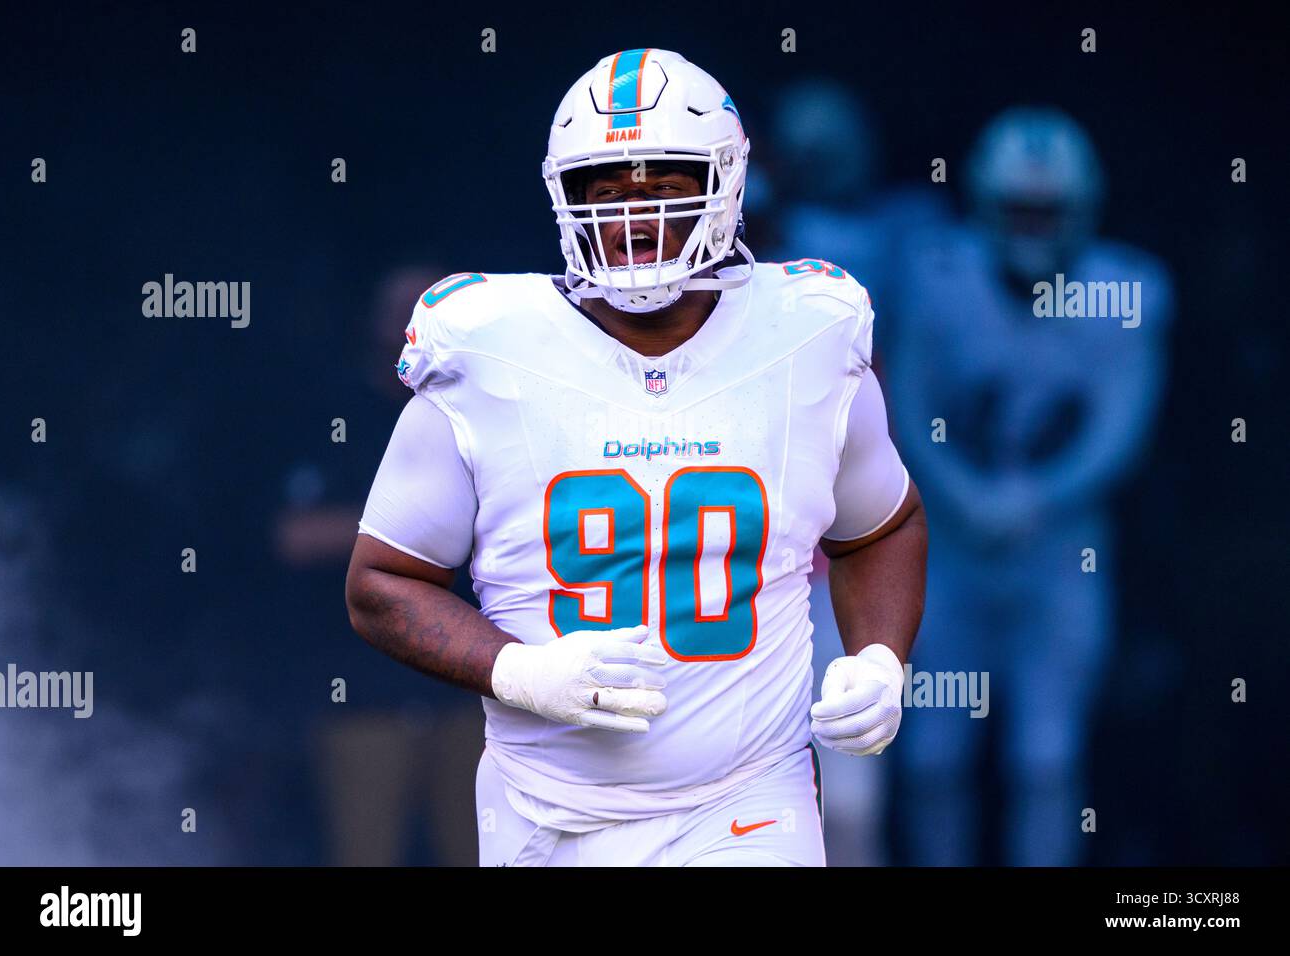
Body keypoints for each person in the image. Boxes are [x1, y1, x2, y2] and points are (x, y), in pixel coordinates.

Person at [345, 49, 926, 867]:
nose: (634, 219)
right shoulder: (485, 348)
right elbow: (381, 583)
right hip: (546, 811)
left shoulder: (808, 334)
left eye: (663, 190)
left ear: (723, 186)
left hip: (750, 799)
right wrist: (516, 670)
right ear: (564, 198)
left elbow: (880, 527)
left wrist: (878, 658)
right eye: (607, 193)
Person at [885, 107, 1173, 865]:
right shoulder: (936, 276)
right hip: (950, 552)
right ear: (983, 204)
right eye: (1019, 210)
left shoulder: (1130, 291)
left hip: (1060, 554)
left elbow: (1122, 424)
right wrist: (960, 494)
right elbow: (907, 406)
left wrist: (1037, 498)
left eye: (1049, 212)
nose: (1033, 228)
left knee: (1045, 761)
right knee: (931, 760)